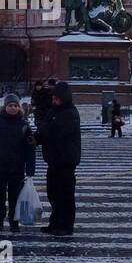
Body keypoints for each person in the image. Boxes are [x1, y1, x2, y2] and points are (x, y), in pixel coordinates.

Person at [0, 92, 36, 231]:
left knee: (15, 197)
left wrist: (30, 167)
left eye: (15, 105)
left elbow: (29, 148)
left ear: (19, 108)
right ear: (5, 107)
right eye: (10, 105)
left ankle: (14, 221)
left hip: (17, 167)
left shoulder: (24, 125)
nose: (13, 108)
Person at [35, 81, 81, 237]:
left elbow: (55, 131)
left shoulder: (70, 113)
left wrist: (41, 127)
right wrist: (36, 138)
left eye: (57, 98)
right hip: (54, 160)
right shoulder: (54, 111)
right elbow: (46, 130)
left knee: (65, 194)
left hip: (66, 160)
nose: (54, 101)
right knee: (53, 193)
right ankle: (55, 222)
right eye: (53, 98)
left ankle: (66, 225)